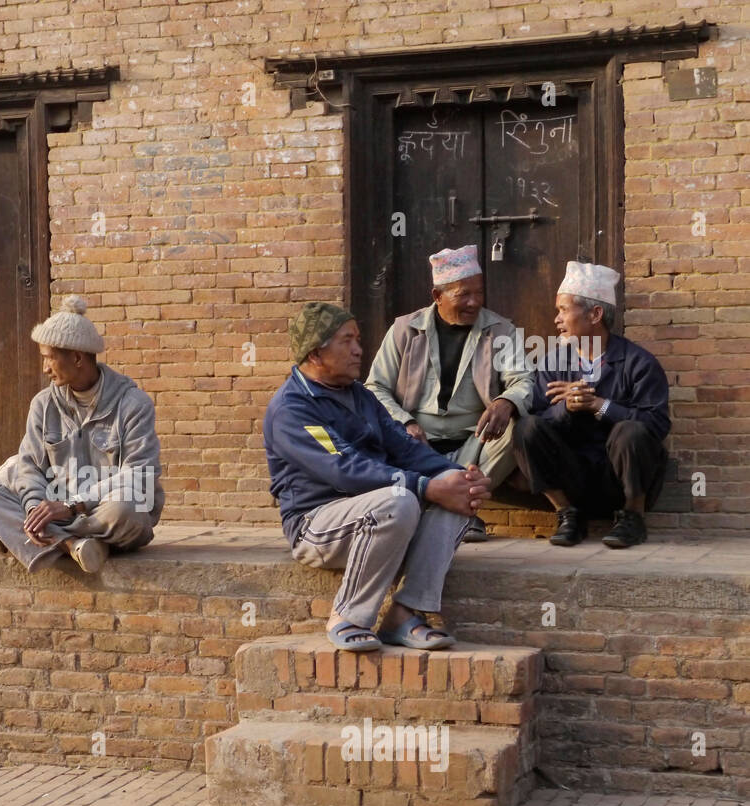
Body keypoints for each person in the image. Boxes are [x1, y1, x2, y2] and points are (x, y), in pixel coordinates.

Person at [264, 301, 491, 653]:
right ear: (315, 353)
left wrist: (459, 478)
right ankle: (348, 616)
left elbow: (406, 448)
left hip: (383, 513)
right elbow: (344, 467)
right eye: (347, 341)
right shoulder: (293, 409)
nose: (359, 349)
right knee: (400, 499)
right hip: (318, 525)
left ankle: (404, 613)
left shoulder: (362, 397)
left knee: (456, 500)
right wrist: (425, 487)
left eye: (357, 339)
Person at [0, 295, 164, 573]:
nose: (44, 368)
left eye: (49, 359)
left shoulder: (132, 404)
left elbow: (140, 474)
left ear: (78, 358)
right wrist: (34, 510)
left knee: (126, 508)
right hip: (57, 514)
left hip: (103, 513)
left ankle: (37, 539)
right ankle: (72, 546)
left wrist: (71, 506)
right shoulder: (43, 404)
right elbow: (29, 467)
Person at [366, 244, 533, 542]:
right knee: (378, 427)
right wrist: (404, 422)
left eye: (479, 293)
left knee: (518, 424)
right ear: (437, 296)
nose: (474, 302)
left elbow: (522, 380)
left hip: (476, 443)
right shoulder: (404, 330)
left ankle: (453, 506)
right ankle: (457, 510)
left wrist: (506, 400)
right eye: (463, 294)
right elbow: (375, 387)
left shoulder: (500, 330)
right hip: (416, 444)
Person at [513, 262, 670, 549]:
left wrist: (600, 406)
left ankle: (633, 517)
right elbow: (537, 421)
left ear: (595, 314)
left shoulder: (639, 363)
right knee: (525, 427)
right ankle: (567, 514)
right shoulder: (553, 362)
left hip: (619, 479)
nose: (557, 320)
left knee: (632, 431)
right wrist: (568, 408)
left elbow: (658, 424)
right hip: (573, 476)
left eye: (563, 310)